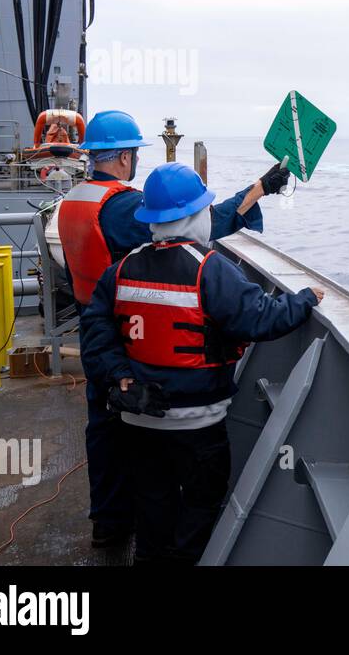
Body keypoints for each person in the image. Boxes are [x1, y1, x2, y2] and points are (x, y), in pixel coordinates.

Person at [60, 109, 291, 549]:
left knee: (104, 429)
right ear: (126, 158)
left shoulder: (76, 198)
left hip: (95, 327)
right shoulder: (121, 206)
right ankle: (149, 536)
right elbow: (191, 225)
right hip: (127, 337)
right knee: (127, 436)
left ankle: (110, 524)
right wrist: (258, 189)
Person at [80, 163, 323, 564]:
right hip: (198, 425)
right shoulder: (210, 270)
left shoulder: (120, 270)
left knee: (152, 504)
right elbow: (262, 318)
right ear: (195, 216)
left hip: (139, 421)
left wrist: (120, 375)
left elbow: (96, 330)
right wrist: (306, 298)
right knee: (200, 503)